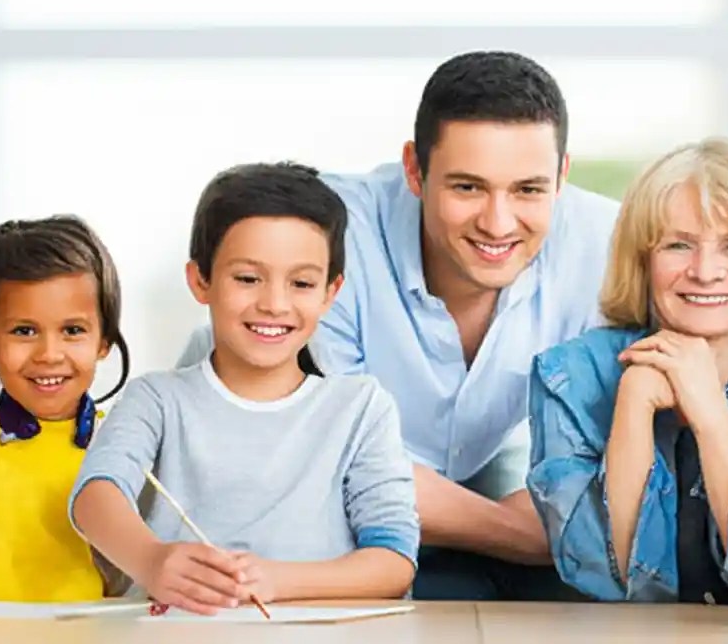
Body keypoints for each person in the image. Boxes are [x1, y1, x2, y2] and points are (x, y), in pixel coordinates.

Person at [177, 51, 619, 600]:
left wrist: (547, 524)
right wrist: (526, 534)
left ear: (562, 174)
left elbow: (608, 463)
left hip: (467, 473)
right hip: (259, 458)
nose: (498, 222)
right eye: (467, 188)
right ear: (415, 169)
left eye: (528, 189)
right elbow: (336, 459)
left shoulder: (606, 244)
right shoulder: (326, 235)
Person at [71, 162, 419, 615]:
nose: (274, 304)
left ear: (331, 292)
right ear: (201, 281)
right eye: (248, 278)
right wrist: (152, 561)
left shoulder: (361, 409)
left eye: (302, 283)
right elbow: (94, 497)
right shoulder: (155, 399)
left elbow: (394, 561)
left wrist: (275, 579)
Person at [527, 137, 728, 604]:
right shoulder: (571, 375)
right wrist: (633, 405)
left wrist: (710, 414)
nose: (705, 271)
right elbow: (604, 578)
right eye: (678, 245)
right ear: (644, 261)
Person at [0, 216, 129, 601]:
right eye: (24, 331)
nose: (49, 354)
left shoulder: (130, 447)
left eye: (73, 330)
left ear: (104, 341)